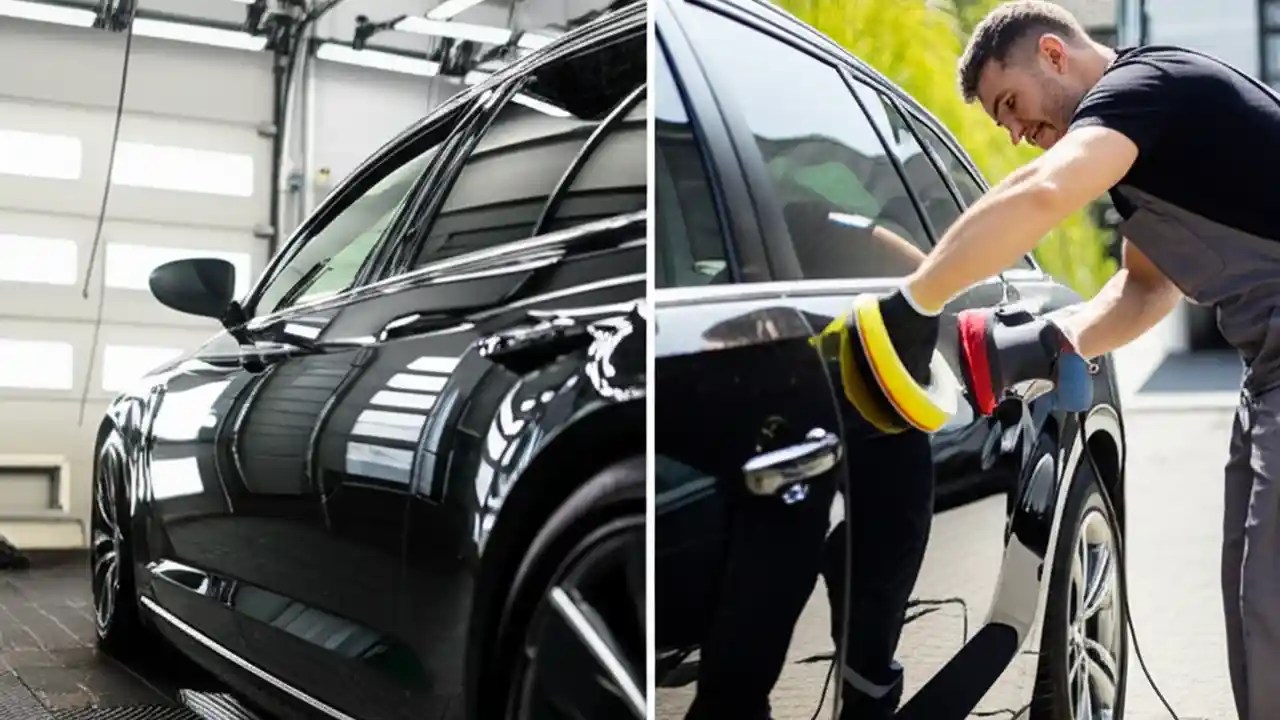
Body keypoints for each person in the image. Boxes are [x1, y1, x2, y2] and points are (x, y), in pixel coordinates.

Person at [870, 2, 1280, 717]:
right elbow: (1146, 288)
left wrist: (914, 301)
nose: (1020, 134)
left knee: (1273, 601)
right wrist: (1060, 340)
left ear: (1055, 55)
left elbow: (1046, 191)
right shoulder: (1143, 143)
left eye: (1013, 105)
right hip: (1266, 368)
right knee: (1250, 598)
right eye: (1006, 124)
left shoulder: (1143, 90)